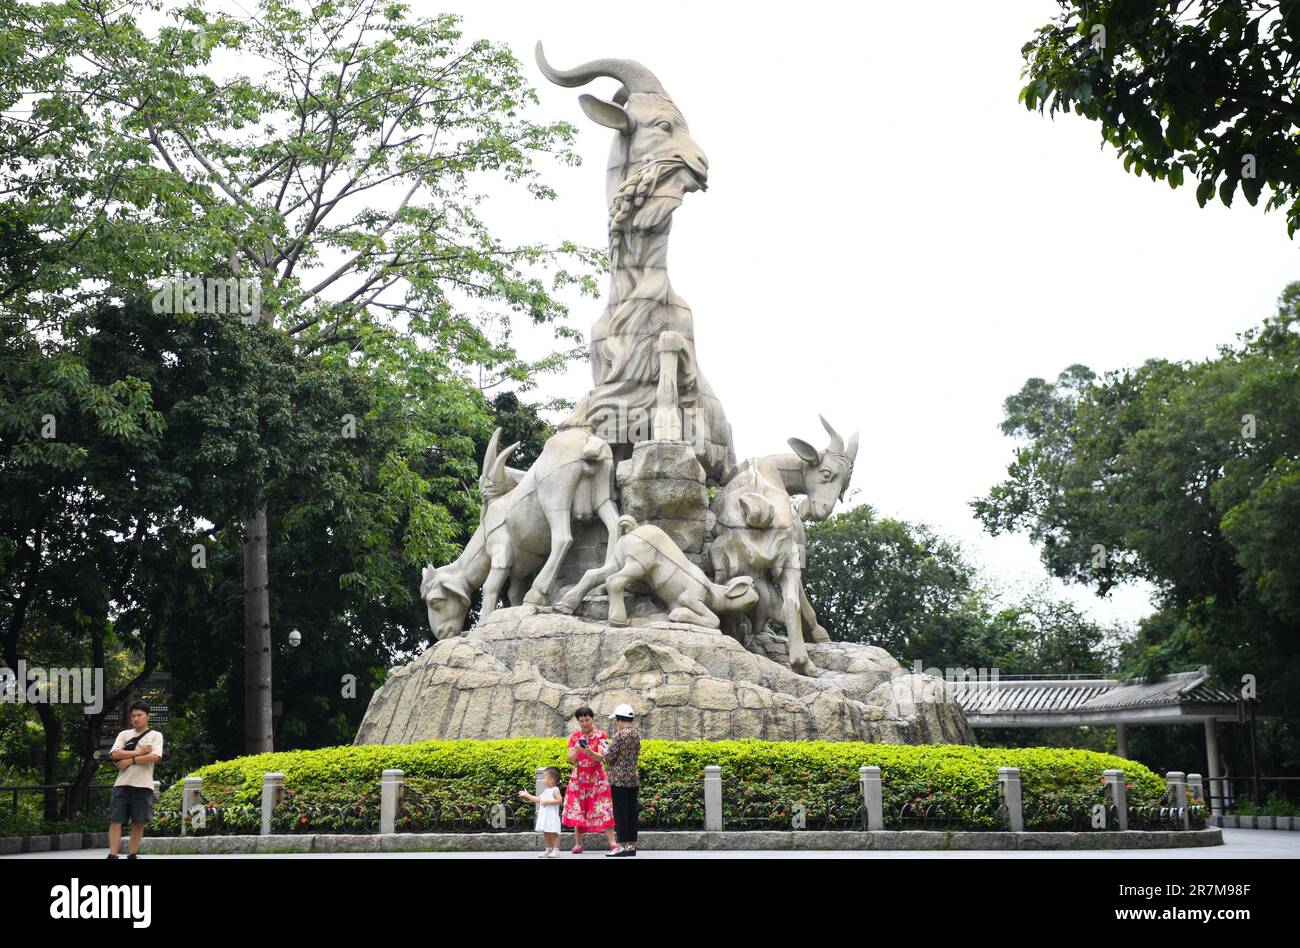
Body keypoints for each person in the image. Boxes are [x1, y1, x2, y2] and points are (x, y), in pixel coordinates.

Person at [106, 700, 164, 859]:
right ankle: (113, 854)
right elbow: (115, 754)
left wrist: (131, 760)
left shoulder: (155, 735)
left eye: (139, 715)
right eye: (133, 716)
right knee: (115, 820)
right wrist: (140, 752)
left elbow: (154, 756)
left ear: (147, 717)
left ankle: (132, 854)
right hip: (122, 784)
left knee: (138, 822)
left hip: (143, 785)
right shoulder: (124, 735)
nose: (136, 718)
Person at [561, 706, 616, 853]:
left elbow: (605, 756)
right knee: (579, 809)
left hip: (598, 778)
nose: (585, 723)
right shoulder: (574, 737)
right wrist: (577, 751)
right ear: (578, 721)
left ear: (592, 719)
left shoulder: (602, 735)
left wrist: (590, 752)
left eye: (587, 720)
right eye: (581, 721)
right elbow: (570, 759)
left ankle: (613, 843)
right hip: (579, 779)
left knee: (603, 808)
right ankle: (578, 845)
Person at [602, 703, 642, 857]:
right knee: (631, 813)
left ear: (619, 719)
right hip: (633, 779)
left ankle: (622, 846)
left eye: (616, 720)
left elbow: (610, 758)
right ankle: (631, 846)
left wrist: (604, 751)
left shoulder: (619, 735)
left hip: (619, 780)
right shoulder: (636, 734)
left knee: (621, 814)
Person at [518, 766, 564, 858]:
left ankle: (556, 850)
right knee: (546, 833)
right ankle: (548, 849)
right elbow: (537, 800)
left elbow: (559, 801)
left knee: (554, 833)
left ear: (551, 780)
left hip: (551, 817)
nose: (543, 780)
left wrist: (547, 802)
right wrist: (527, 795)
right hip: (545, 817)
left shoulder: (555, 790)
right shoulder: (546, 791)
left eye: (544, 778)